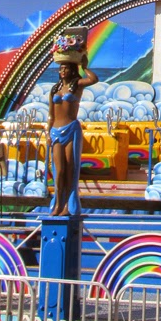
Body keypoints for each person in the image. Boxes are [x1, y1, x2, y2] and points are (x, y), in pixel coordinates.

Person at [48, 29, 99, 216]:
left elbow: (94, 79)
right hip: (55, 131)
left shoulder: (76, 85)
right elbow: (50, 115)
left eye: (66, 68)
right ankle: (58, 203)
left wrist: (85, 66)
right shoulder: (54, 90)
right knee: (59, 170)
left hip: (71, 129)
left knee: (70, 169)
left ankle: (68, 206)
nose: (63, 71)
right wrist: (47, 132)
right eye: (61, 68)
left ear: (72, 69)